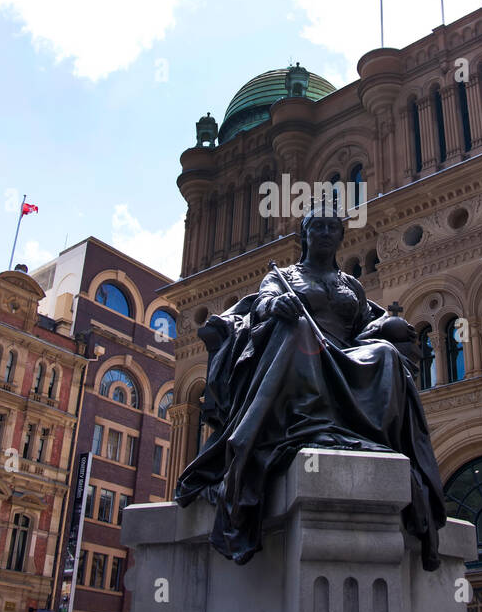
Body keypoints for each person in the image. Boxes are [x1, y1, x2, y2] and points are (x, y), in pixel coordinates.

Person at [176, 205, 448, 570]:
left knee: (384, 353)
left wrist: (388, 328)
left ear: (339, 237)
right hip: (298, 349)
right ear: (304, 236)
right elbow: (259, 308)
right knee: (299, 331)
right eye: (315, 227)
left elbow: (365, 324)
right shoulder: (284, 276)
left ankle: (361, 431)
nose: (323, 233)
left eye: (330, 228)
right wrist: (278, 305)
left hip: (343, 354)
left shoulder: (350, 284)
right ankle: (308, 423)